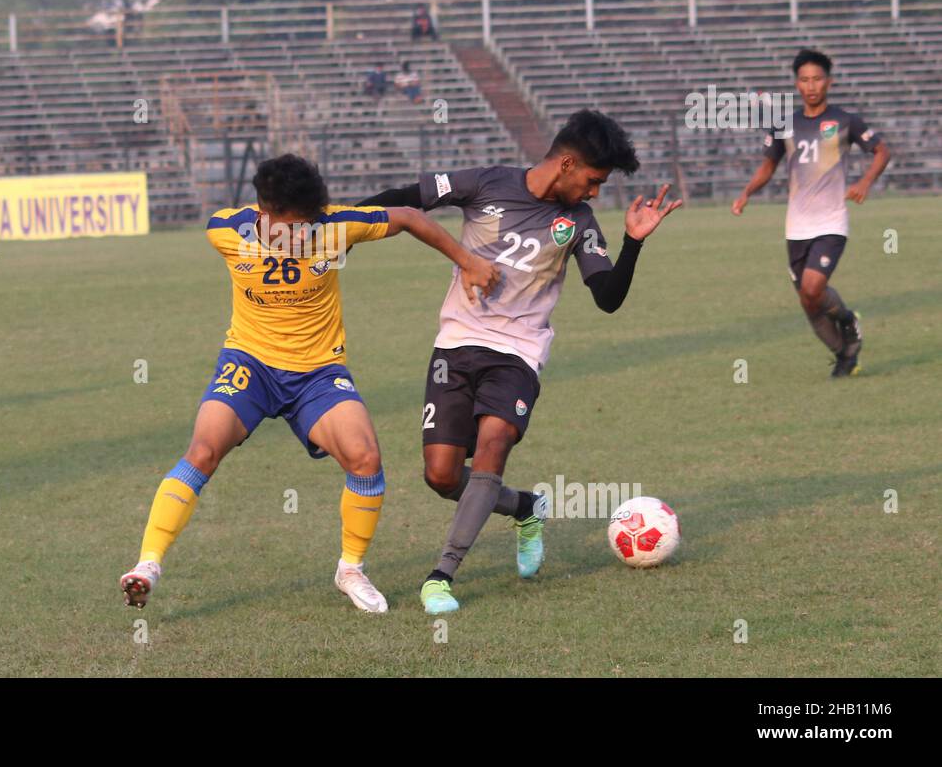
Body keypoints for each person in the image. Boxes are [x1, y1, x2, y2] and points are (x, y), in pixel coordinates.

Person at [119, 154, 498, 614]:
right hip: (250, 366)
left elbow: (410, 217)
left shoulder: (336, 225)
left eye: (307, 227)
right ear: (264, 212)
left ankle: (351, 569)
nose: (301, 237)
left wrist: (467, 260)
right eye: (291, 227)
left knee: (366, 458)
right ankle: (147, 566)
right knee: (203, 450)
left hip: (319, 372)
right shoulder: (227, 231)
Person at [359, 110, 680, 614]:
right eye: (594, 181)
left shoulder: (578, 222)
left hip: (519, 353)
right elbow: (408, 197)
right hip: (456, 345)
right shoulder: (486, 183)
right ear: (567, 163)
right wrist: (339, 223)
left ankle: (441, 576)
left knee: (494, 441)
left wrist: (634, 242)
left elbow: (608, 297)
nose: (595, 192)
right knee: (441, 476)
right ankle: (525, 507)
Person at [732, 49, 890, 377]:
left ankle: (848, 320)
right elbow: (768, 166)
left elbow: (881, 150)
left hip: (831, 222)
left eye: (817, 79)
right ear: (797, 84)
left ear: (829, 82)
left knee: (814, 288)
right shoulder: (784, 125)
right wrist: (747, 192)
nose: (811, 85)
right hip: (796, 226)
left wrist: (864, 182)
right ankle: (845, 354)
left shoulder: (845, 120)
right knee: (808, 302)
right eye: (804, 80)